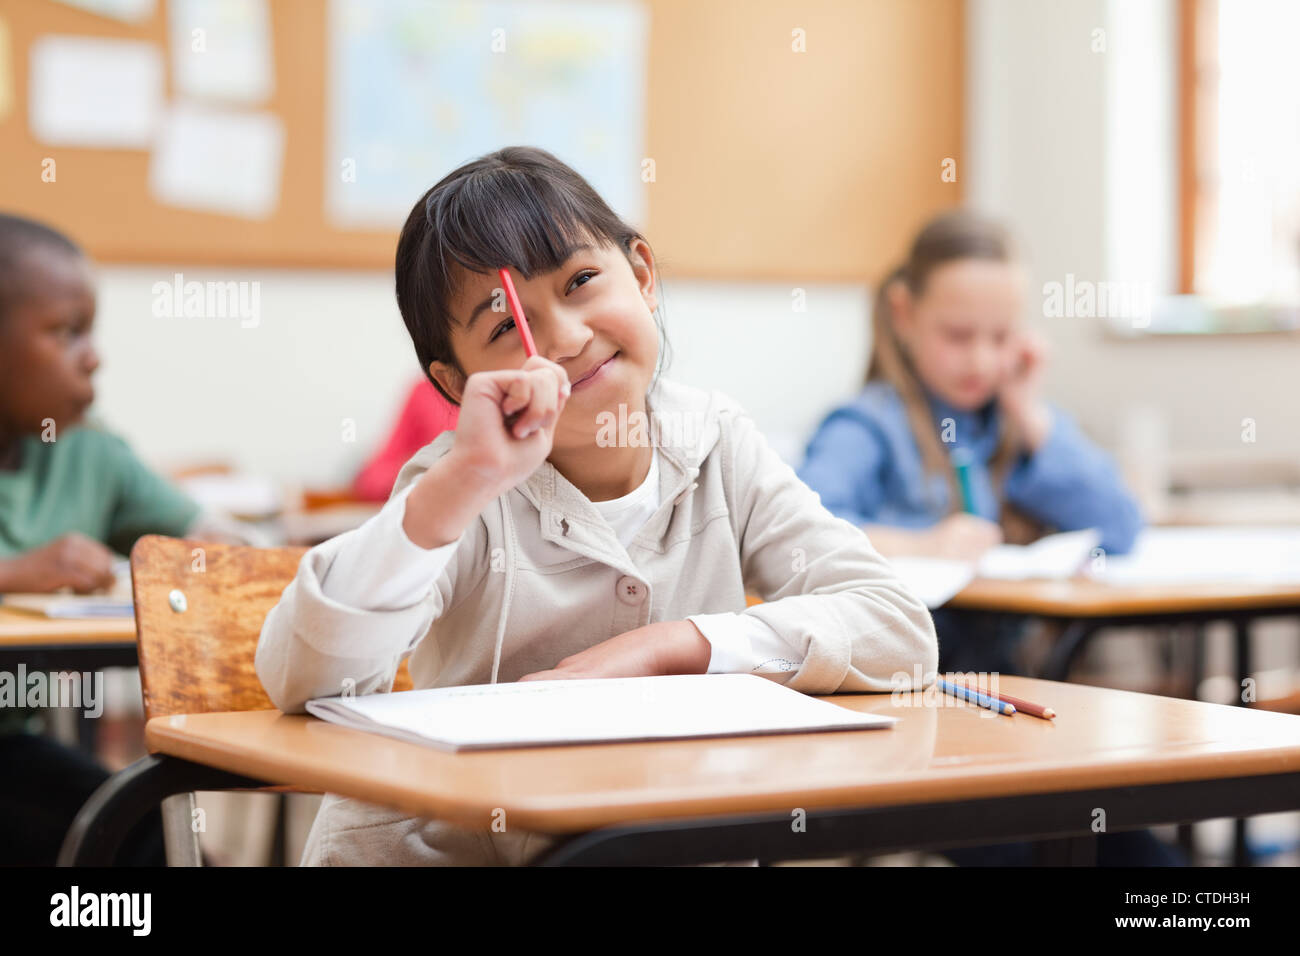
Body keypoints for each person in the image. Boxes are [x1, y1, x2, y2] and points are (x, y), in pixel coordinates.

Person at [255, 146, 939, 866]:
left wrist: (671, 648)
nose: (566, 339)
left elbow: (897, 629)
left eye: (582, 281)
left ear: (641, 274)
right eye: (504, 328)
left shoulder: (718, 444)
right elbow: (303, 680)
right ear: (455, 384)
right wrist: (459, 485)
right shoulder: (456, 486)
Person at [797, 210, 1180, 866]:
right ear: (904, 313)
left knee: (1144, 856)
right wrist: (922, 544)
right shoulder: (867, 426)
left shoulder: (1010, 424)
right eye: (958, 335)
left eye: (1000, 337)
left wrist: (1029, 411)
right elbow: (797, 533)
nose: (981, 358)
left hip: (1014, 713)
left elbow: (1119, 523)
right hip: (914, 728)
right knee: (1030, 850)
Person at [0, 213, 245, 864]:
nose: (94, 355)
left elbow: (214, 542)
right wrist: (16, 571)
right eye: (65, 331)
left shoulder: (87, 448)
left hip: (9, 747)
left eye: (92, 330)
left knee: (137, 826)